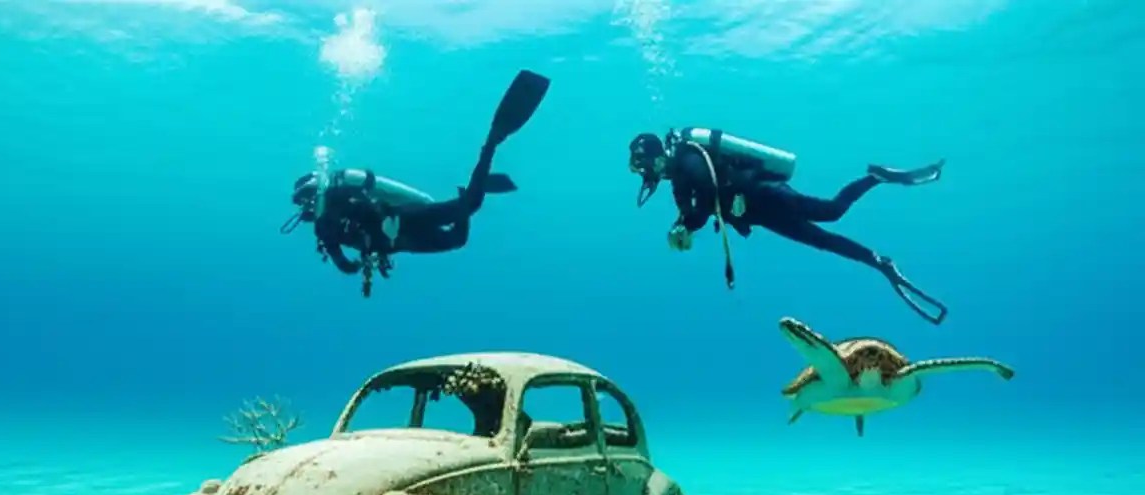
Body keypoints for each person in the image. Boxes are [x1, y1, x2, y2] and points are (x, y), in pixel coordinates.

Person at [628, 127, 950, 324]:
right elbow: (693, 209)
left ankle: (875, 177)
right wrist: (682, 227)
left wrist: (693, 219)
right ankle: (879, 263)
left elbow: (709, 189)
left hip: (762, 192)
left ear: (656, 157)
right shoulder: (678, 179)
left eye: (643, 166)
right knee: (820, 239)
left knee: (831, 211)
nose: (644, 174)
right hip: (758, 212)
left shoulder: (686, 157)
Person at [281, 69, 551, 297]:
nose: (305, 207)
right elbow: (344, 264)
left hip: (401, 220)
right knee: (457, 238)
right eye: (302, 202)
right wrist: (359, 262)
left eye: (305, 198)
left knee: (470, 206)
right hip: (399, 242)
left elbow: (365, 202)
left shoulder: (337, 195)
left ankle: (492, 142)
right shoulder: (324, 230)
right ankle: (469, 191)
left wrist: (371, 228)